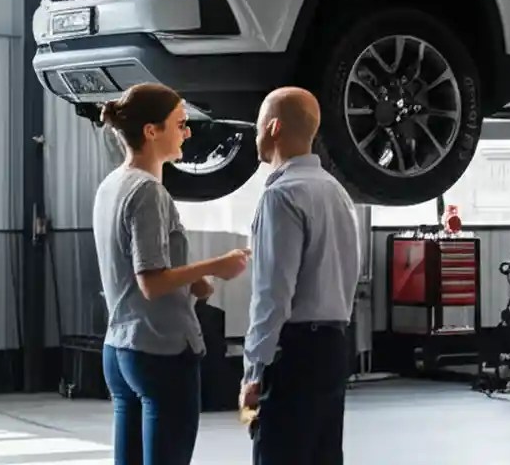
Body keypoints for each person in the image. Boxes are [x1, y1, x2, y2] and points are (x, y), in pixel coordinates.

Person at [93, 82, 252, 465]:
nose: (188, 132)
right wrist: (217, 265)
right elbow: (151, 281)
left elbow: (135, 267)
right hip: (158, 349)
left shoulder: (111, 185)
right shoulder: (148, 192)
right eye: (180, 124)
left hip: (120, 348)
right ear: (152, 131)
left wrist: (192, 280)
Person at [240, 86, 362, 465]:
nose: (256, 133)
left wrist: (254, 370)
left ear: (273, 127)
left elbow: (272, 295)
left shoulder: (282, 195)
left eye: (258, 124)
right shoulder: (336, 192)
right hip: (333, 348)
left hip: (294, 354)